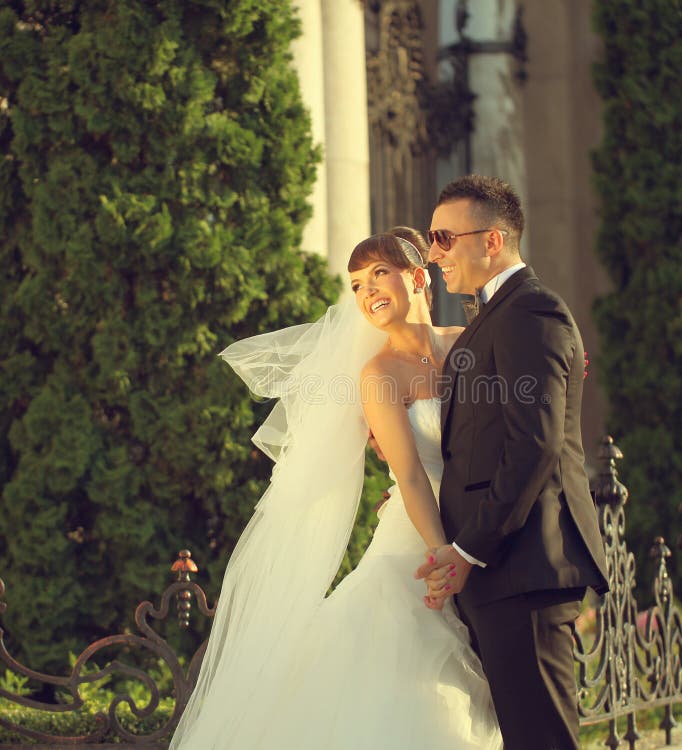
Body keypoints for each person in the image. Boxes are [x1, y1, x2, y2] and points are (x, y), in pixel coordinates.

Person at [169, 230, 502, 749]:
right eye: (355, 284)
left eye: (377, 274)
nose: (366, 291)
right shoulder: (378, 375)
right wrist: (440, 557)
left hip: (487, 530)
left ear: (417, 277)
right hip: (418, 545)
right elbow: (411, 476)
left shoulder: (471, 341)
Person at [414, 175, 610, 750]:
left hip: (521, 563)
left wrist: (470, 549)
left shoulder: (530, 313)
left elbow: (535, 444)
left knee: (542, 740)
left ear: (492, 241)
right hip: (504, 570)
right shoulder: (493, 318)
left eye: (444, 237)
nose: (434, 253)